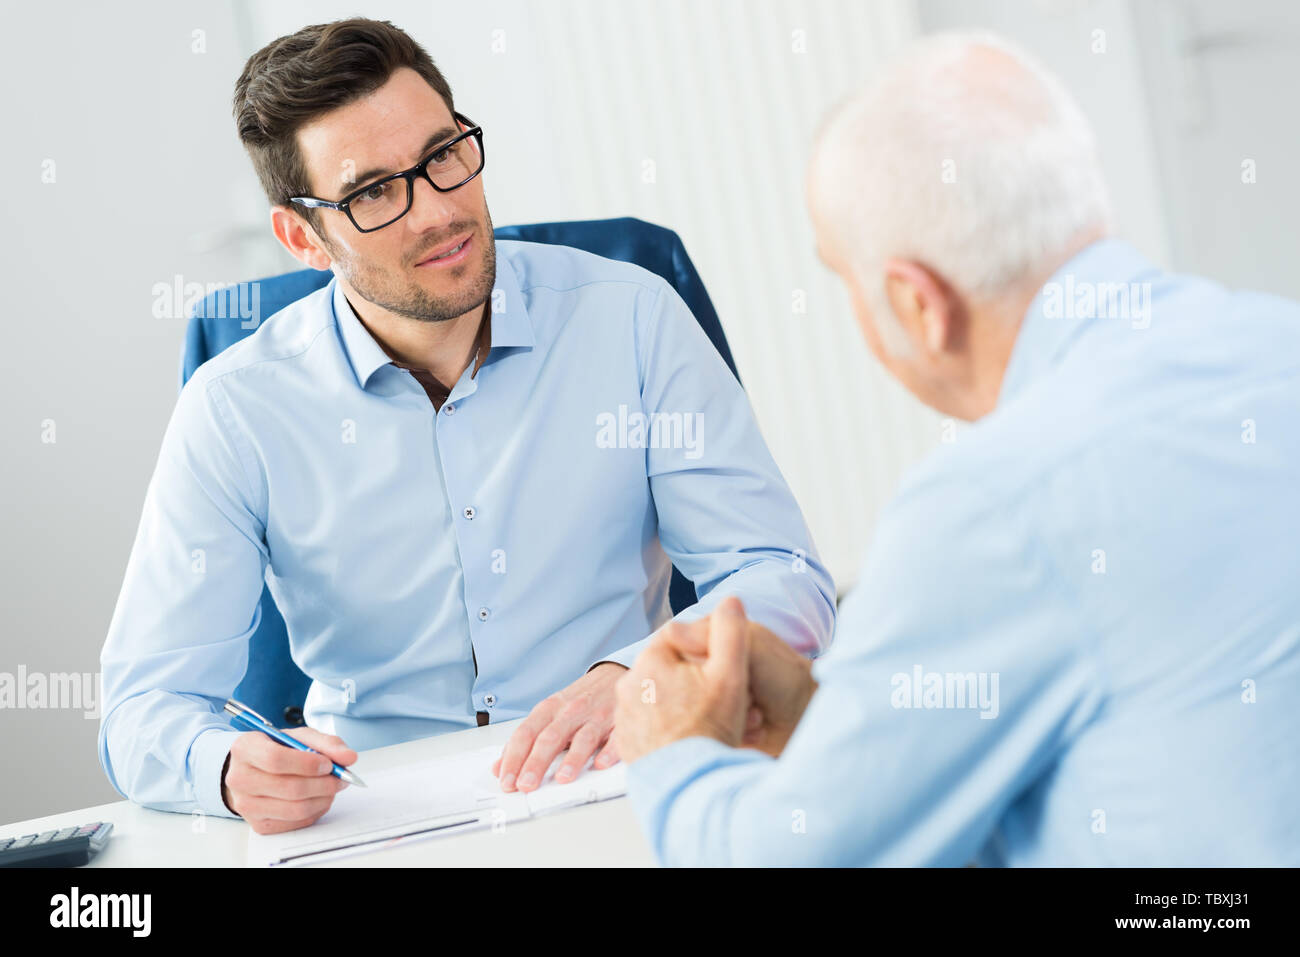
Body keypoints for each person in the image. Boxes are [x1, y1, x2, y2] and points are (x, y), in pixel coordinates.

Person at [98, 18, 834, 835]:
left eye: (443, 155)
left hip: (618, 779)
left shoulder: (632, 318)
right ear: (301, 236)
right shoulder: (235, 408)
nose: (439, 212)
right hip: (374, 821)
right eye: (374, 191)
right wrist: (227, 768)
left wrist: (637, 672)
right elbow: (142, 709)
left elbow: (783, 574)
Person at [614, 30, 1300, 866]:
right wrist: (832, 723)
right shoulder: (1276, 343)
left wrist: (672, 751)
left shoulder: (996, 504)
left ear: (915, 304)